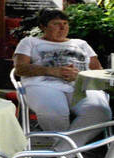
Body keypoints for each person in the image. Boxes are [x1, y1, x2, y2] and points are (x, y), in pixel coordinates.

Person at [14, 9, 112, 144]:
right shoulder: (30, 42)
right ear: (43, 27)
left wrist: (80, 75)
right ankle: (68, 152)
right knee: (54, 111)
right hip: (42, 84)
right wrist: (53, 71)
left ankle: (63, 151)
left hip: (81, 84)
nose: (62, 28)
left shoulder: (81, 44)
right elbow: (20, 69)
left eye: (65, 24)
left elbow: (98, 71)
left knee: (100, 112)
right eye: (56, 24)